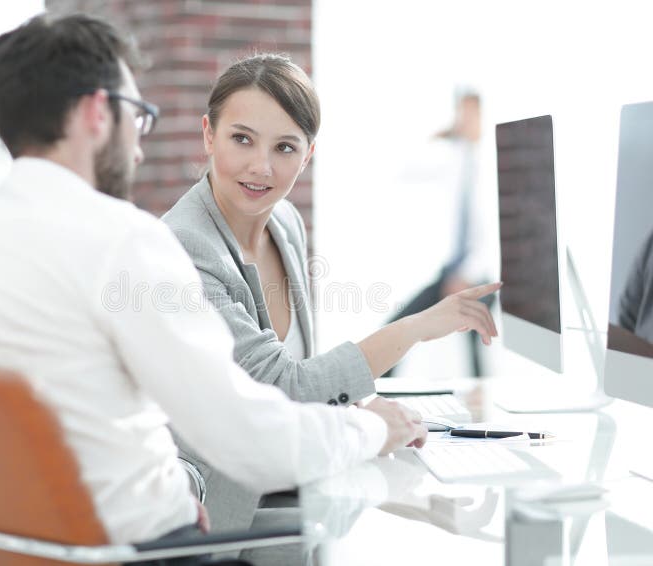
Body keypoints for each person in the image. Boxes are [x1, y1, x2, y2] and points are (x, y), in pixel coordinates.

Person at [0, 14, 427, 566]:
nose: (140, 149)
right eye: (137, 116)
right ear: (99, 112)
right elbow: (248, 441)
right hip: (138, 553)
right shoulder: (124, 244)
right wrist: (370, 428)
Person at [162, 54, 500, 541]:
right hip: (221, 517)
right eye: (242, 139)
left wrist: (412, 496)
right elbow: (283, 387)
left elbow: (302, 386)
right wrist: (416, 327)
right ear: (209, 135)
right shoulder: (184, 247)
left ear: (308, 155)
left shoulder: (284, 223)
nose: (261, 166)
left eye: (285, 147)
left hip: (293, 486)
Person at [383, 91, 496, 377]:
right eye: (461, 113)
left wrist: (466, 275)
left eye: (470, 114)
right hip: (451, 271)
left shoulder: (490, 161)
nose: (465, 120)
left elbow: (489, 233)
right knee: (400, 325)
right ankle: (381, 383)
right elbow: (404, 171)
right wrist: (435, 137)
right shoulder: (457, 157)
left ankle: (482, 395)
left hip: (480, 277)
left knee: (477, 343)